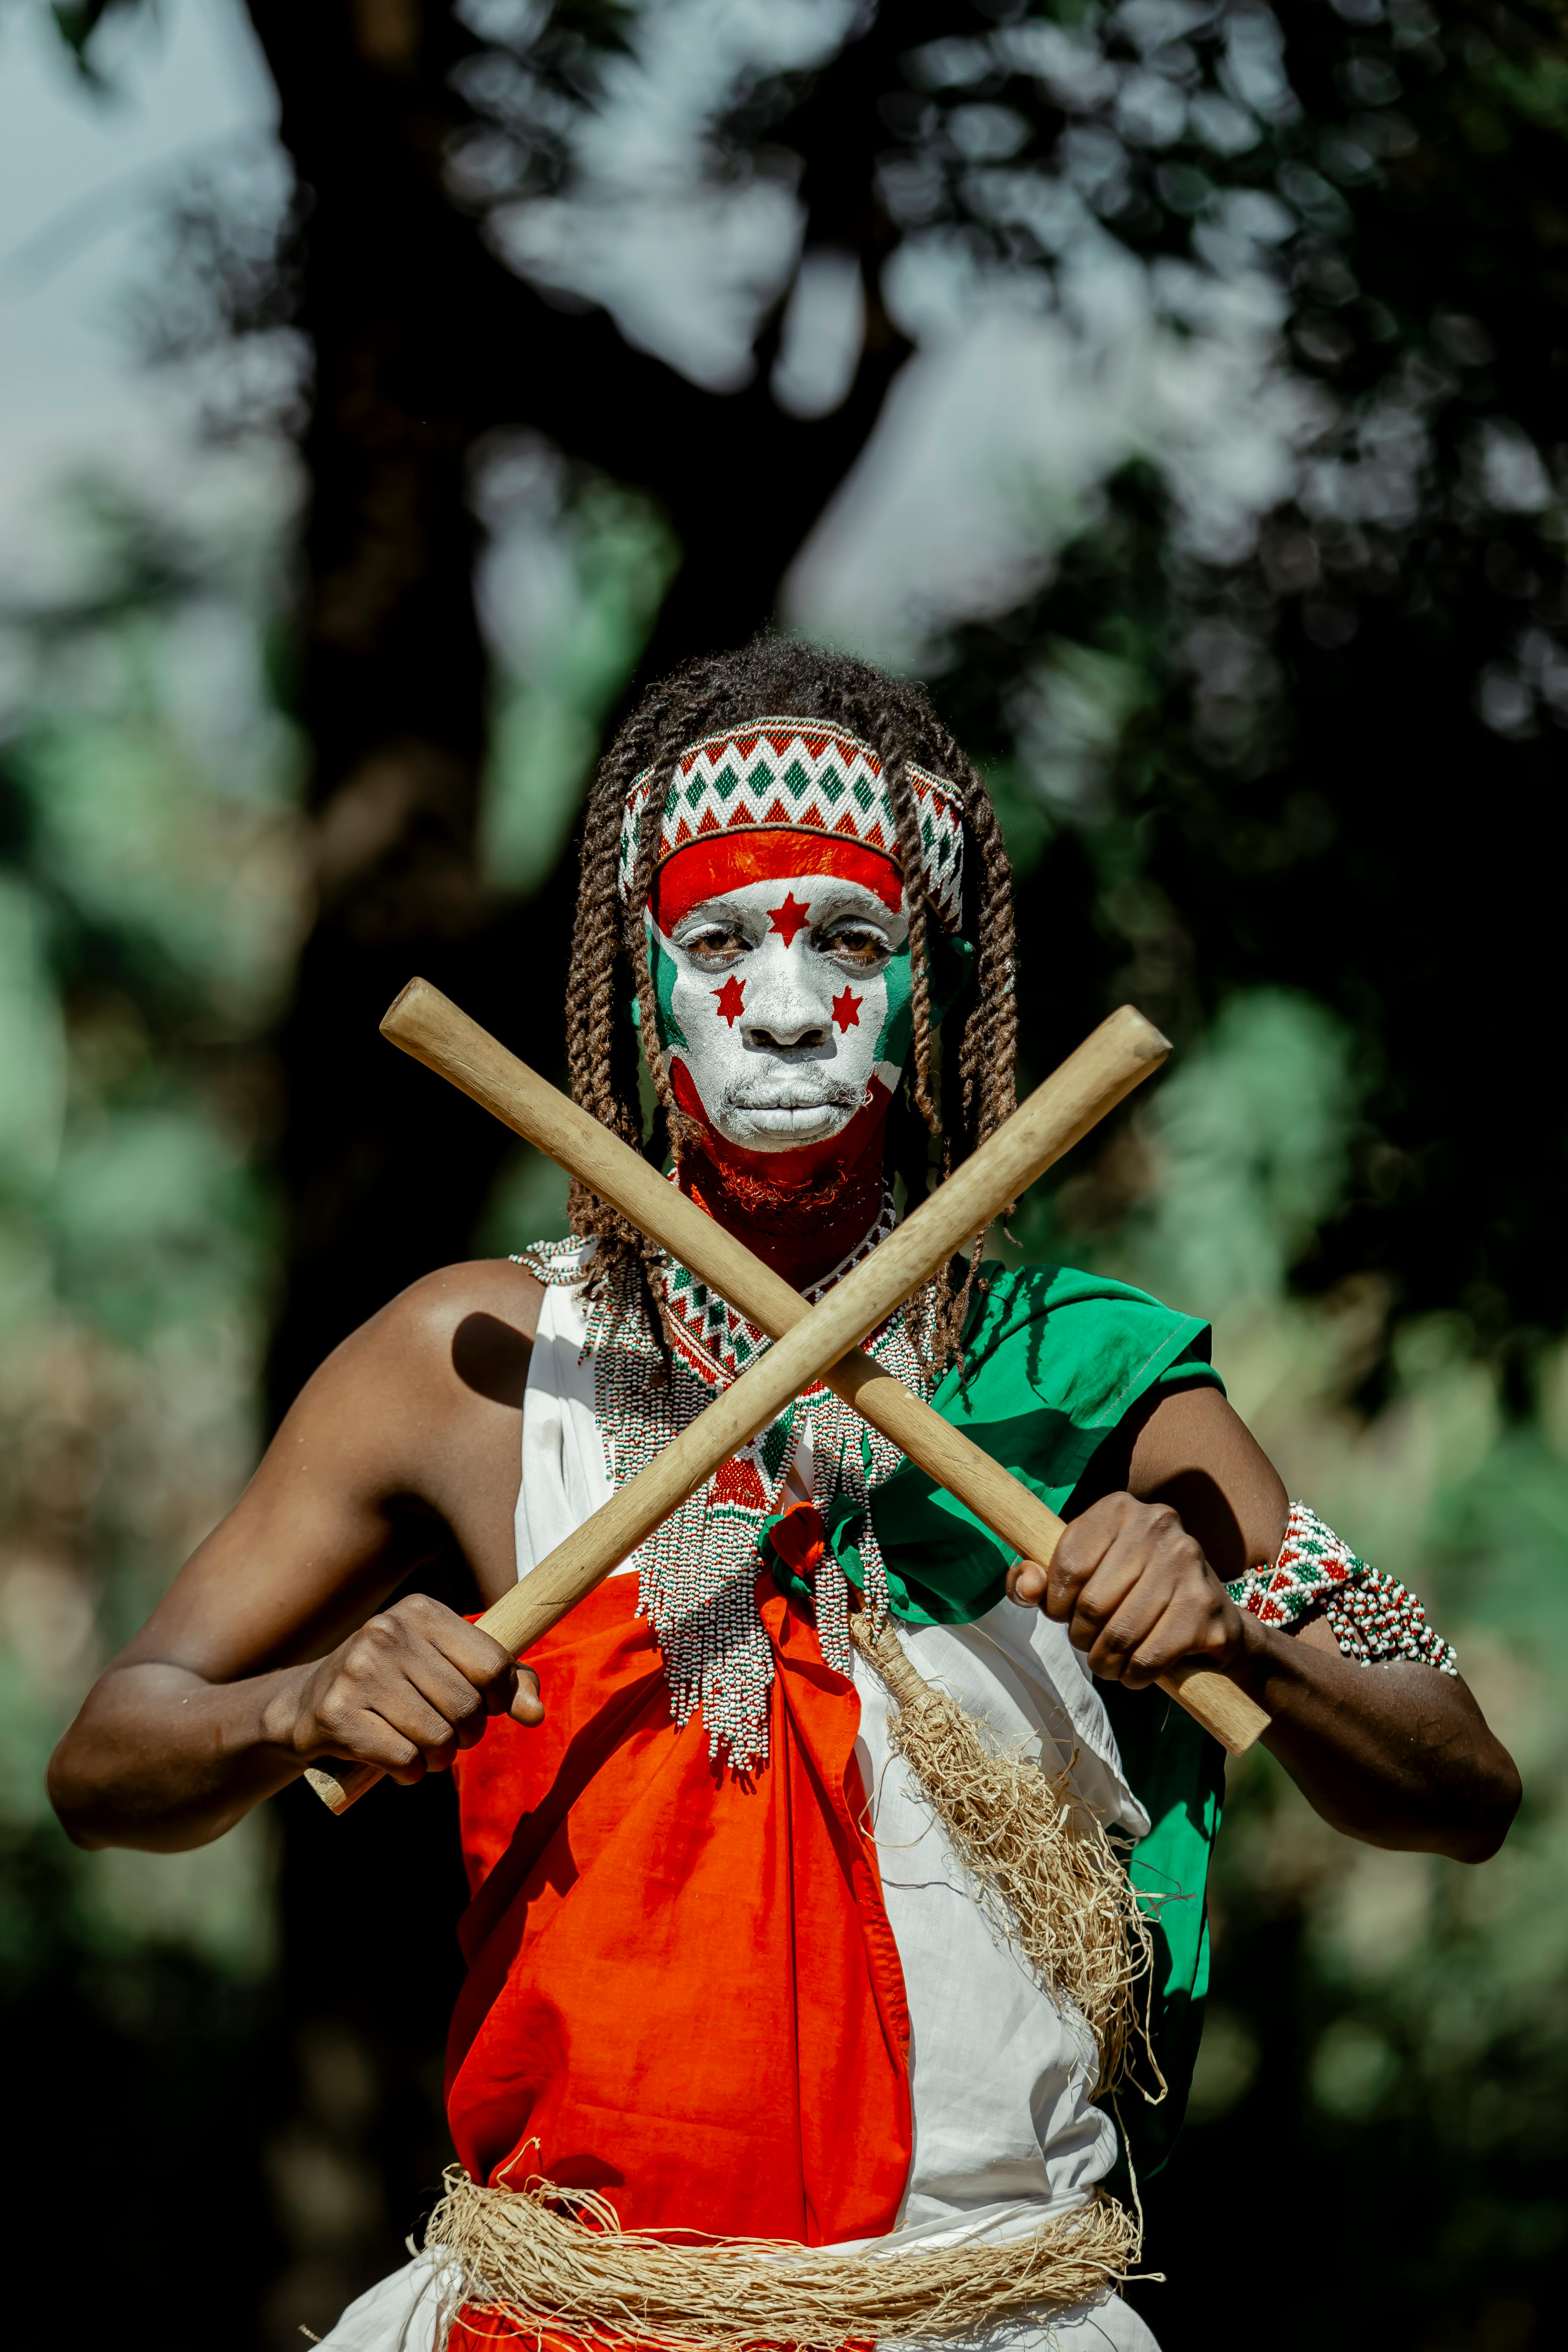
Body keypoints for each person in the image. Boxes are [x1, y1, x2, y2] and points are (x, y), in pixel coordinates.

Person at [49, 640, 1520, 2352]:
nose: (791, 999)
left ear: (933, 993)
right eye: (723, 942)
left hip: (994, 2319)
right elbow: (110, 1757)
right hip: (560, 2320)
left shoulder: (1097, 1381)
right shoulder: (468, 1364)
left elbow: (1459, 1767)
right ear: (640, 989)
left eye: (852, 941)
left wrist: (1244, 1646)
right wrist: (297, 1707)